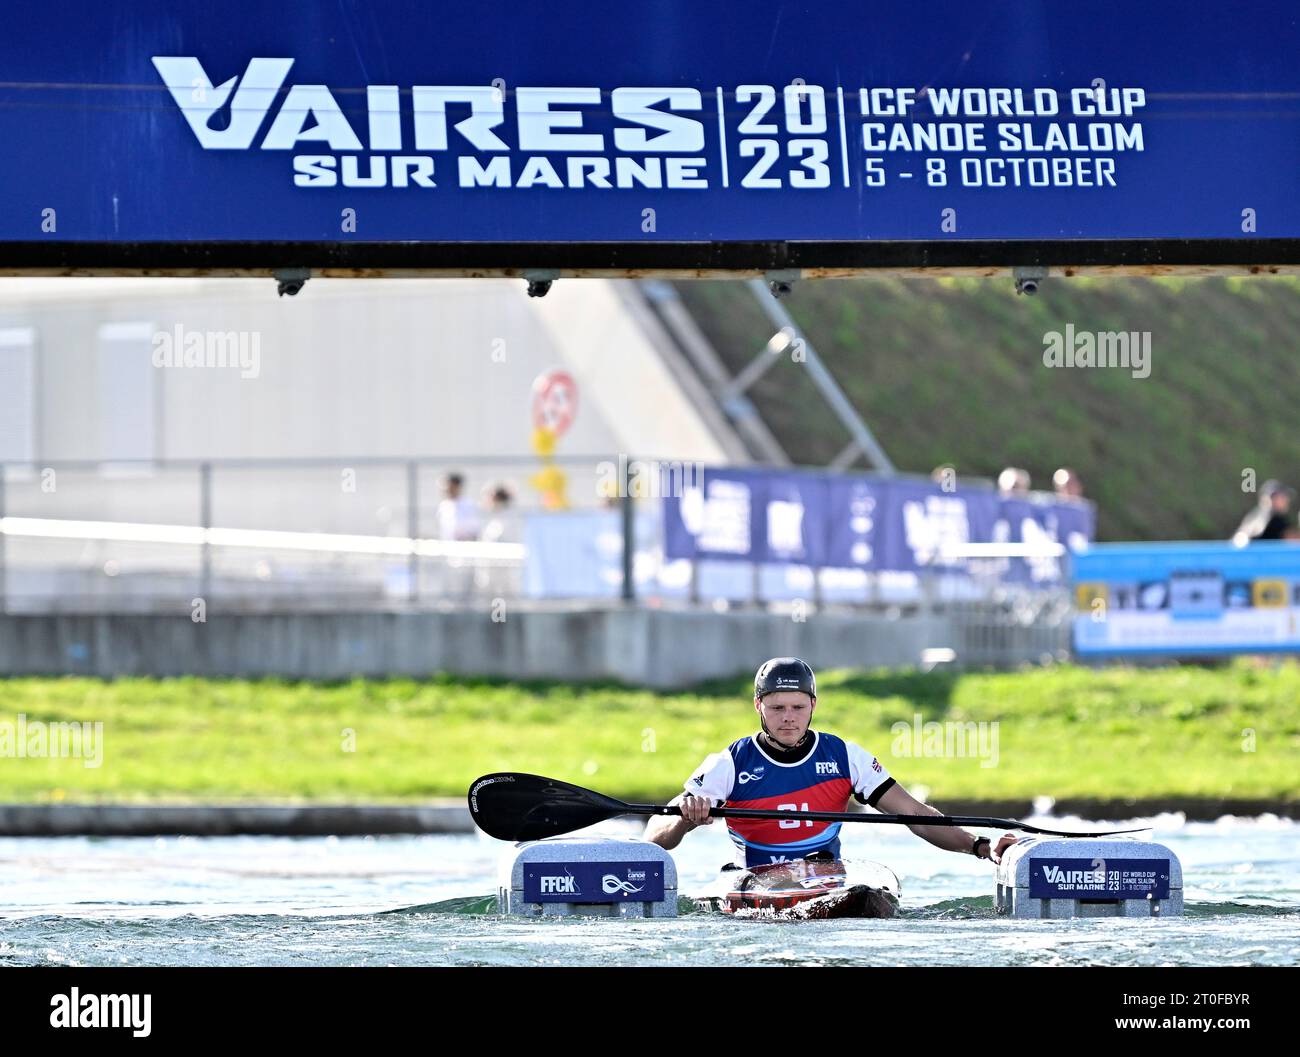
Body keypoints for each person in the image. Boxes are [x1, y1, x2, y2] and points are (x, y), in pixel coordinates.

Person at [644, 657, 1019, 867]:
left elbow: (917, 816)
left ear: (813, 706)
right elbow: (654, 837)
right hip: (755, 881)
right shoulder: (729, 762)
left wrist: (980, 847)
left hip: (827, 876)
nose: (788, 718)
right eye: (777, 708)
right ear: (758, 706)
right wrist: (682, 817)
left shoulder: (845, 756)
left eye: (797, 707)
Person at [1233, 480, 1294, 544]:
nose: (1287, 500)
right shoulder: (1270, 518)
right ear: (1272, 498)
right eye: (1283, 497)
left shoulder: (1260, 515)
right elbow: (1242, 538)